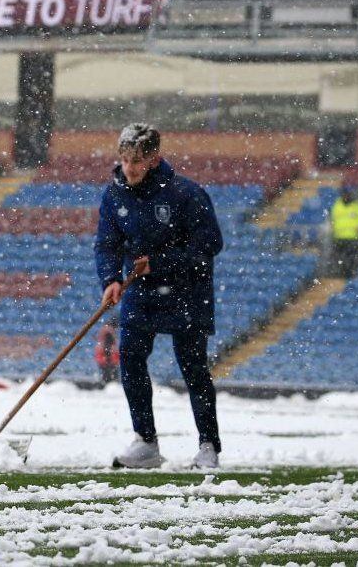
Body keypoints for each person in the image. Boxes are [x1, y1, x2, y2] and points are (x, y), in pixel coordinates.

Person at [94, 123, 223, 469]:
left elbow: (209, 247)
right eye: (124, 159)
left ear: (154, 158)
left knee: (193, 368)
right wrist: (111, 278)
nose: (129, 167)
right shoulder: (113, 196)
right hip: (140, 293)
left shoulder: (186, 194)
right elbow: (107, 244)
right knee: (131, 360)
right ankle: (146, 441)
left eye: (137, 160)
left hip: (188, 292)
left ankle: (208, 445)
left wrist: (160, 263)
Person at [330, 187, 358, 278]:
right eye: (345, 194)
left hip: (352, 237)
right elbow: (333, 219)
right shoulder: (337, 205)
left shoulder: (356, 207)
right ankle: (340, 275)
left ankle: (349, 275)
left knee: (351, 258)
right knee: (339, 258)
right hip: (339, 237)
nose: (346, 196)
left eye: (348, 194)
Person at [94, 316, 120, 385]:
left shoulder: (105, 330)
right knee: (111, 378)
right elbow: (107, 346)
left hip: (102, 358)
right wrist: (108, 359)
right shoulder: (109, 332)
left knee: (106, 377)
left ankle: (104, 387)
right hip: (108, 360)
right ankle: (108, 390)